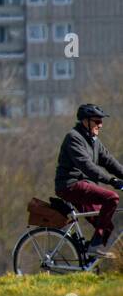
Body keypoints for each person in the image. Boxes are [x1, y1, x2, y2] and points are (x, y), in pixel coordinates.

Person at [55, 104, 123, 260]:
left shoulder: (94, 141)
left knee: (106, 225)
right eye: (97, 121)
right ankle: (94, 246)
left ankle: (88, 257)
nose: (100, 125)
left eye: (101, 121)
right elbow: (87, 166)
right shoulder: (74, 138)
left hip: (84, 187)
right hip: (70, 185)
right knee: (112, 198)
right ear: (85, 121)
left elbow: (110, 162)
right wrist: (112, 180)